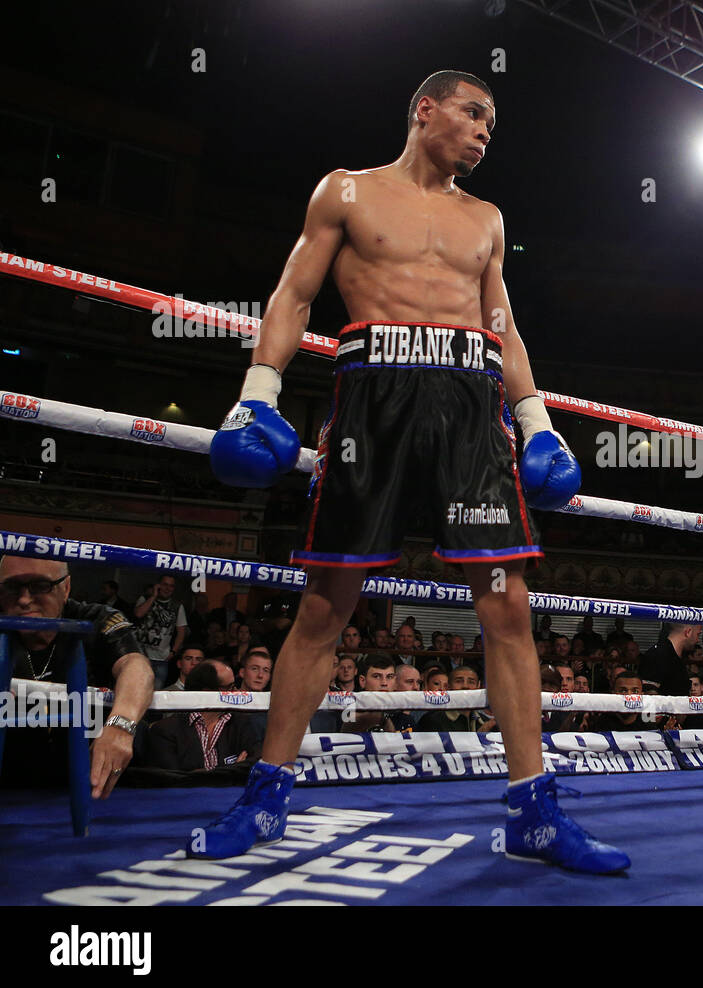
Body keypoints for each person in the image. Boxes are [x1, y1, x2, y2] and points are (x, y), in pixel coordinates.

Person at [191, 70, 627, 873]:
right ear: (425, 110)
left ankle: (533, 808)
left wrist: (536, 419)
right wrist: (257, 395)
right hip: (373, 401)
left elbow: (502, 322)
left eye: (492, 121)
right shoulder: (347, 192)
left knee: (509, 607)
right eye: (473, 112)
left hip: (469, 406)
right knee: (326, 603)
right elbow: (292, 294)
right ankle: (265, 794)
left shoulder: (486, 218)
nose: (485, 130)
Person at [0, 556, 154, 798]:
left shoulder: (94, 618)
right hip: (11, 784)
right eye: (11, 587)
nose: (24, 599)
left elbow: (136, 665)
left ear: (66, 587)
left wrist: (120, 725)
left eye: (40, 586)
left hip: (90, 783)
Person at [145, 661, 263, 772]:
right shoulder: (165, 731)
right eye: (230, 687)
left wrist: (197, 774)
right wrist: (232, 769)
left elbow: (255, 764)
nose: (236, 692)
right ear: (207, 692)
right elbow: (173, 781)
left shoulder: (242, 723)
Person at [134, 573, 189, 689]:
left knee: (156, 694)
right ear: (158, 585)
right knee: (136, 689)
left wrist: (173, 652)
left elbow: (181, 631)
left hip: (161, 659)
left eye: (171, 586)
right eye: (165, 585)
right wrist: (153, 596)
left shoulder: (177, 606)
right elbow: (138, 614)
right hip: (141, 655)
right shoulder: (145, 599)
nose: (167, 588)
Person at [638, 623, 700, 696]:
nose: (698, 640)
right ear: (688, 632)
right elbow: (649, 693)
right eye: (698, 635)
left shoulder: (677, 656)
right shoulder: (659, 654)